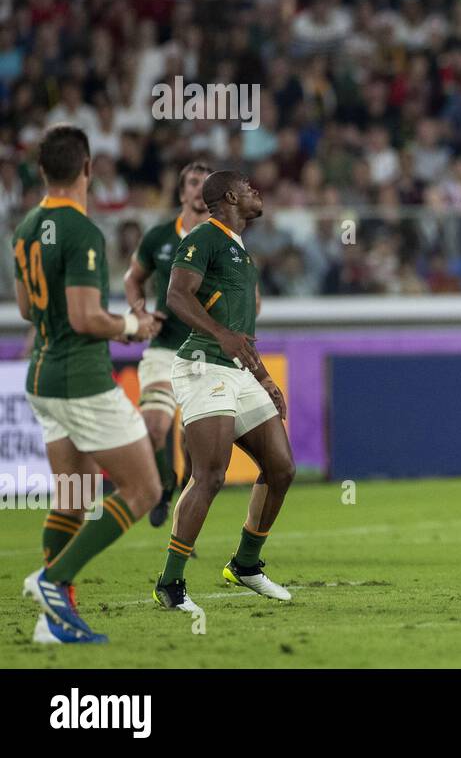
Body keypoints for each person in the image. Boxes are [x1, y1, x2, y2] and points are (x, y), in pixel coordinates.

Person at [18, 125, 162, 644]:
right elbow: (84, 317)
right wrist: (130, 326)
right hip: (80, 380)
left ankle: (52, 625)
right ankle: (52, 582)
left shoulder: (27, 227)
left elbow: (24, 307)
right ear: (86, 169)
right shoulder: (81, 232)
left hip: (42, 375)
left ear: (41, 172)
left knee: (73, 499)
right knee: (144, 488)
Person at [153, 170, 294, 613]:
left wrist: (265, 377)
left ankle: (246, 565)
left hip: (238, 369)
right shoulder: (205, 237)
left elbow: (240, 333)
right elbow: (177, 295)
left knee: (282, 467)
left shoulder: (239, 249)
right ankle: (171, 583)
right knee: (210, 474)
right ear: (231, 196)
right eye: (250, 187)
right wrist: (221, 334)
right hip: (202, 366)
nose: (257, 192)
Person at [124, 160, 212, 526]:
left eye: (207, 185)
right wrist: (140, 314)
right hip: (162, 347)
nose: (200, 190)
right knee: (154, 426)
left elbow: (248, 293)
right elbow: (133, 280)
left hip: (205, 352)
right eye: (194, 183)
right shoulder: (159, 236)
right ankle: (163, 484)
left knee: (195, 445)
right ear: (181, 192)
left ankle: (184, 519)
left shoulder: (225, 241)